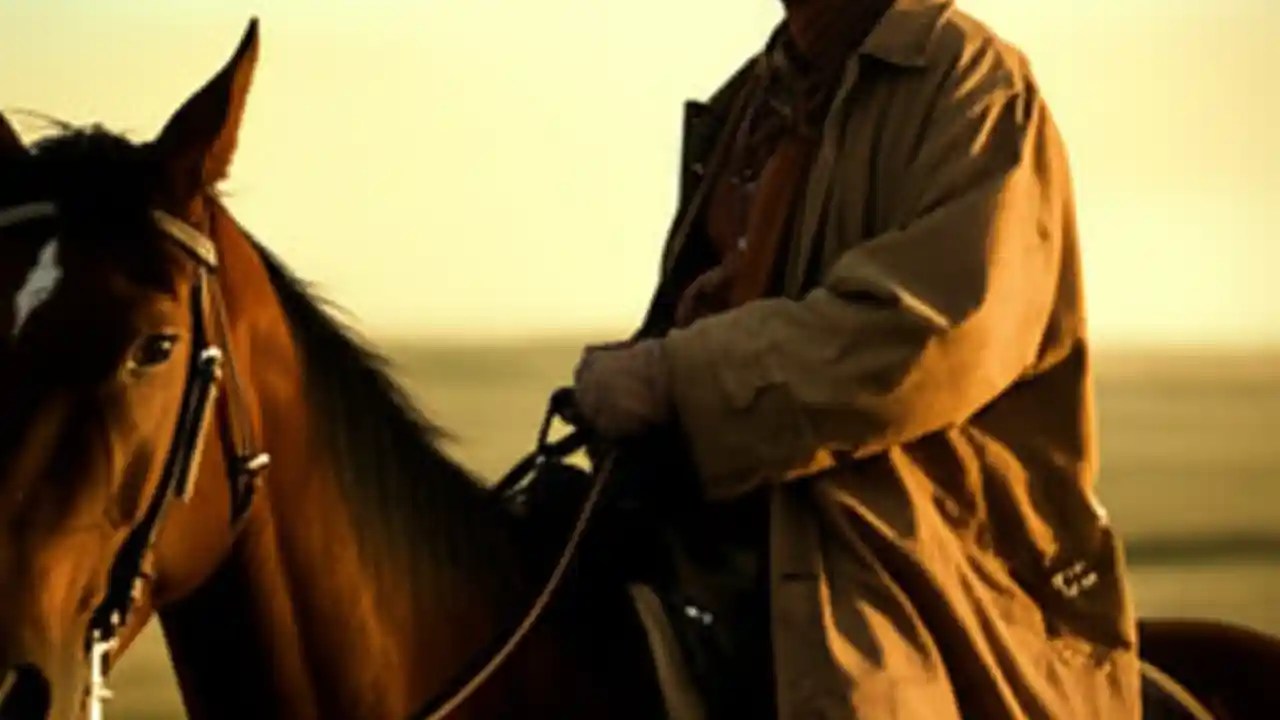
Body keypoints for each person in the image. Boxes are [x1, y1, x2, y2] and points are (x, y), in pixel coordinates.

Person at [571, 0, 1143, 718]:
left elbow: (930, 334)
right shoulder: (756, 99)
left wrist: (674, 378)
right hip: (724, 522)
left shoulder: (974, 86)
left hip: (906, 554)